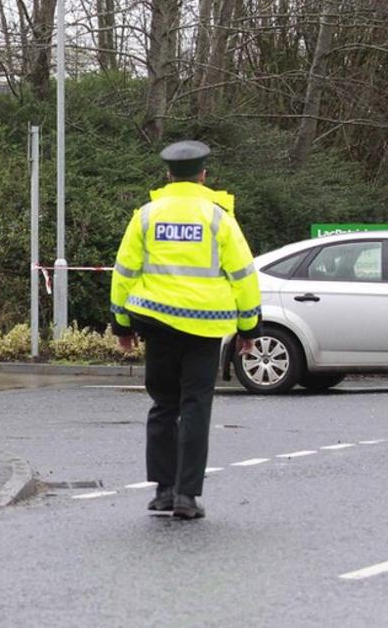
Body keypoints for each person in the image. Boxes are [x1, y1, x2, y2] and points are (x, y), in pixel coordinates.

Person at [110, 141, 261, 519]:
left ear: (168, 175)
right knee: (195, 406)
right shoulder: (219, 219)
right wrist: (249, 327)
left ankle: (163, 491)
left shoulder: (146, 216)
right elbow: (243, 275)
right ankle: (186, 497)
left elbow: (124, 272)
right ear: (203, 175)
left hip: (156, 322)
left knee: (163, 404)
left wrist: (121, 323)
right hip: (204, 327)